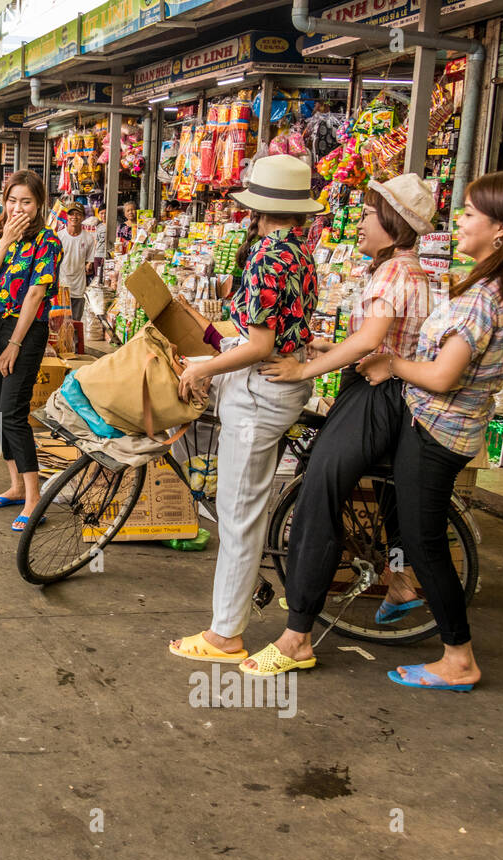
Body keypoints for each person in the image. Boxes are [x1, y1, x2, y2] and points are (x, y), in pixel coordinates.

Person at [352, 170, 503, 691]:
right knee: (410, 527)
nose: (460, 220)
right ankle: (399, 587)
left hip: (439, 432)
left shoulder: (485, 295)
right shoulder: (494, 281)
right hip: (444, 427)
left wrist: (391, 362)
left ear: (500, 228)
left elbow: (441, 376)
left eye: (471, 213)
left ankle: (458, 657)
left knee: (425, 540)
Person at [251, 174, 435, 675]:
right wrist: (332, 350)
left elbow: (374, 336)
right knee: (384, 495)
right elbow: (388, 342)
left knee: (319, 496)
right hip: (390, 393)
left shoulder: (393, 275)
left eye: (370, 215)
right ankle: (399, 581)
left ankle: (297, 637)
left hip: (377, 398)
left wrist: (303, 368)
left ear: (394, 226)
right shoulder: (412, 273)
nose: (360, 222)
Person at [168, 155, 321, 665]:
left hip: (259, 395)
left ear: (261, 208)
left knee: (237, 516)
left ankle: (225, 635)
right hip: (277, 388)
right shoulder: (300, 253)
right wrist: (212, 354)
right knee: (243, 510)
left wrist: (202, 371)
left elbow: (258, 344)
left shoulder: (266, 258)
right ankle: (235, 612)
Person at [0, 170, 63, 531]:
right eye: (12, 201)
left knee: (13, 413)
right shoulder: (4, 237)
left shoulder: (49, 241)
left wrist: (15, 343)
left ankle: (34, 498)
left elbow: (36, 293)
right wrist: (3, 241)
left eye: (25, 201)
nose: (17, 208)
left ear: (39, 204)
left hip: (26, 331)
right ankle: (14, 486)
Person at [57, 201, 96, 324]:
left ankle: (73, 344)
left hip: (78, 287)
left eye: (78, 214)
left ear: (83, 217)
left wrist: (88, 266)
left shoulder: (89, 238)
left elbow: (89, 263)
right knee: (60, 323)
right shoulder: (58, 236)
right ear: (67, 217)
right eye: (71, 214)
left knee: (75, 323)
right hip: (62, 286)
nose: (74, 217)